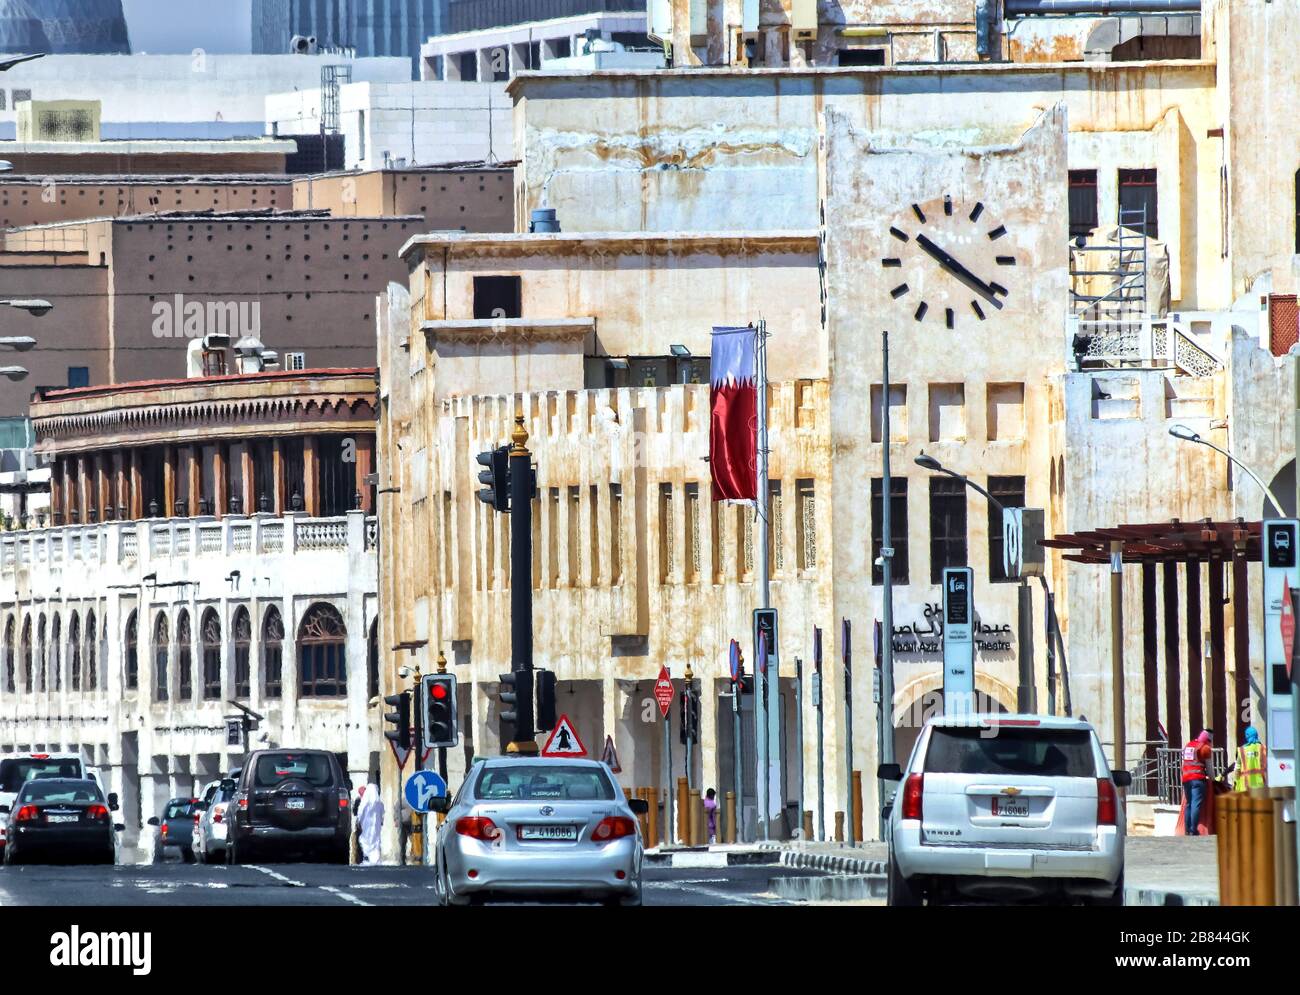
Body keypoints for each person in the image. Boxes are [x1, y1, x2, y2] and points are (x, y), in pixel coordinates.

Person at [1181, 730, 1213, 836]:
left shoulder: (1188, 746)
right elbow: (1209, 768)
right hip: (1198, 780)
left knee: (1189, 804)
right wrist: (1212, 779)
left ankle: (1187, 829)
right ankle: (1193, 829)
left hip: (1186, 779)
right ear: (1207, 740)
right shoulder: (1205, 748)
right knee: (1196, 804)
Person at [355, 772, 385, 865]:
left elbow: (360, 812)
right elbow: (382, 814)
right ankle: (371, 859)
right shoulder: (378, 803)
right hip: (373, 826)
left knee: (368, 840)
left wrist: (359, 821)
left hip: (367, 825)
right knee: (373, 841)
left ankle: (369, 859)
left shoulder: (366, 802)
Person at [1234, 725, 1267, 793]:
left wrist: (1235, 782)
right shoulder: (1263, 748)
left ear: (1247, 736)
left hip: (1245, 786)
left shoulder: (1242, 750)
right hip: (1260, 785)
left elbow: (1237, 769)